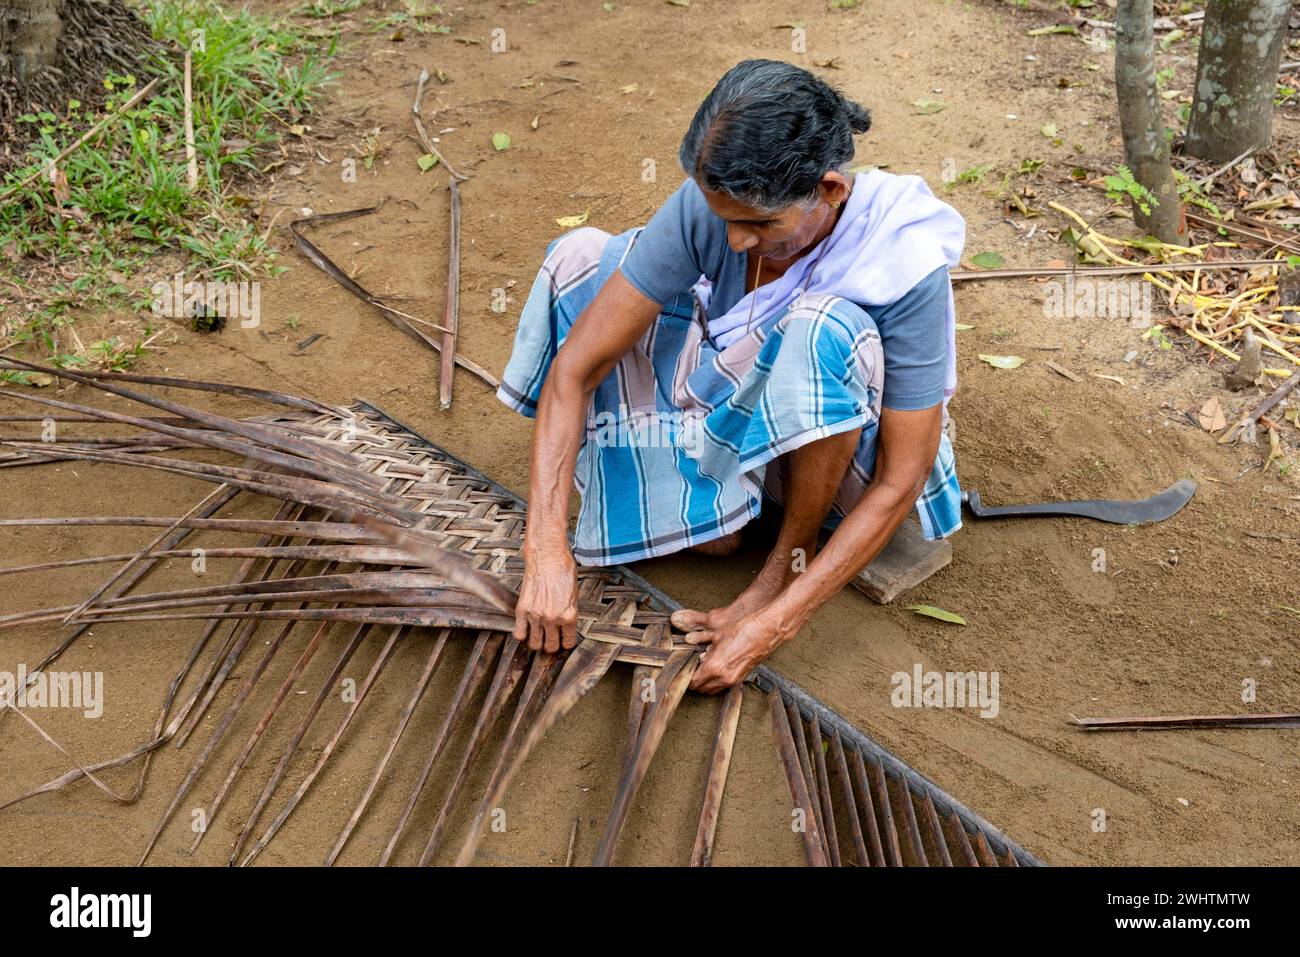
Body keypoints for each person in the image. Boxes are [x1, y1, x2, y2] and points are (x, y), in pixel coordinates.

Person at [497, 58, 966, 693]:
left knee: (820, 324)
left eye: (760, 224)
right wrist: (546, 551)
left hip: (842, 464)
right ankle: (717, 512)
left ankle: (780, 560)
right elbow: (575, 369)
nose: (737, 241)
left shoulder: (900, 257)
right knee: (584, 257)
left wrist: (773, 614)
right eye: (725, 219)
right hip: (750, 407)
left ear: (829, 190)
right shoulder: (711, 207)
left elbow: (900, 479)